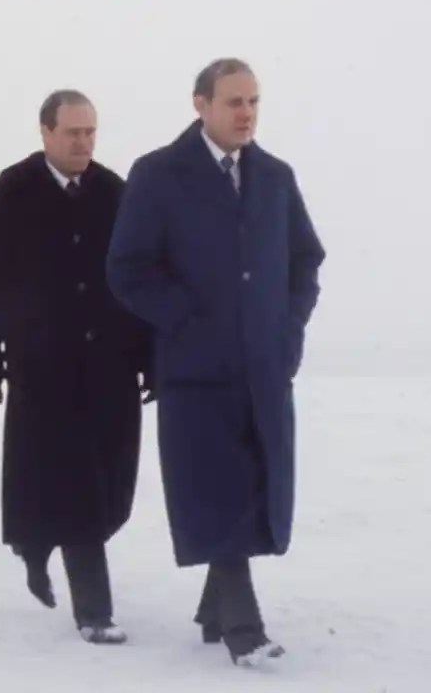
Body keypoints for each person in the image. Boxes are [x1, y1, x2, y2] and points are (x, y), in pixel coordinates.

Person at [105, 58, 326, 667]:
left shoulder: (275, 178)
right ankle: (241, 625)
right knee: (216, 488)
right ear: (200, 104)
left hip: (263, 366)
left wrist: (289, 329)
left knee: (253, 487)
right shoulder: (158, 175)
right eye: (233, 101)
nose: (246, 113)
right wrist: (186, 321)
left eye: (253, 101)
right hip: (196, 370)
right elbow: (127, 269)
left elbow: (305, 260)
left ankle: (212, 608)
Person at [0, 90, 152, 644]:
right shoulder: (7, 195)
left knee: (110, 488)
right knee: (76, 490)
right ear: (45, 132)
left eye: (90, 132)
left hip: (111, 367)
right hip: (42, 366)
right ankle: (94, 610)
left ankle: (34, 542)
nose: (83, 143)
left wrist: (151, 356)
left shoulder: (117, 193)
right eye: (72, 133)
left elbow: (137, 280)